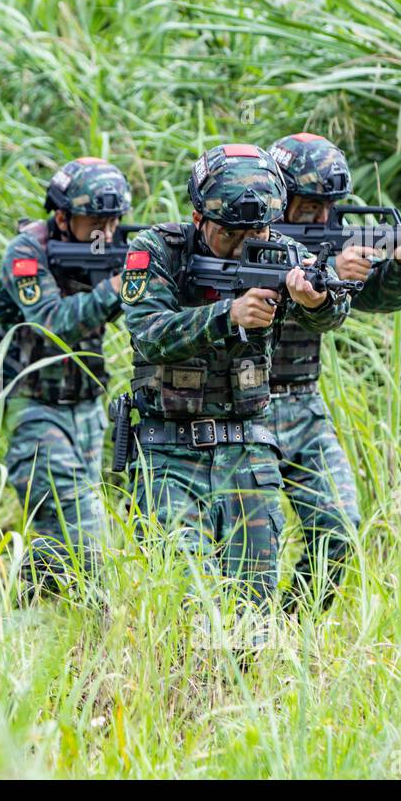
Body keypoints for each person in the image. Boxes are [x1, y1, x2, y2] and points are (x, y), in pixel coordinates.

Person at [120, 143, 350, 623]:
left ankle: (255, 681)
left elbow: (332, 303)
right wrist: (227, 315)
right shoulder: (155, 250)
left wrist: (315, 301)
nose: (247, 243)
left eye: (258, 230)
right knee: (187, 598)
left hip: (248, 448)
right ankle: (179, 695)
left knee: (253, 613)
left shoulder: (280, 251)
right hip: (170, 450)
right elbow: (148, 332)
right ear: (198, 218)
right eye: (231, 233)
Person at [266, 132, 401, 612]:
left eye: (329, 205)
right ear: (279, 196)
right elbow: (254, 303)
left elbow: (377, 300)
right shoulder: (246, 238)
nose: (323, 217)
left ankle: (292, 630)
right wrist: (327, 275)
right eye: (309, 206)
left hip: (303, 404)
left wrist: (400, 263)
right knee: (249, 549)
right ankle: (237, 647)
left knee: (338, 527)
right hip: (244, 408)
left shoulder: (330, 232)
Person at [0, 156, 131, 605]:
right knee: (84, 534)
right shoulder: (27, 253)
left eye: (113, 223)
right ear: (63, 216)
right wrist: (118, 287)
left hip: (87, 408)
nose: (105, 236)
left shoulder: (114, 247)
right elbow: (52, 321)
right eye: (95, 223)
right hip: (32, 408)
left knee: (57, 547)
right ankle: (102, 647)